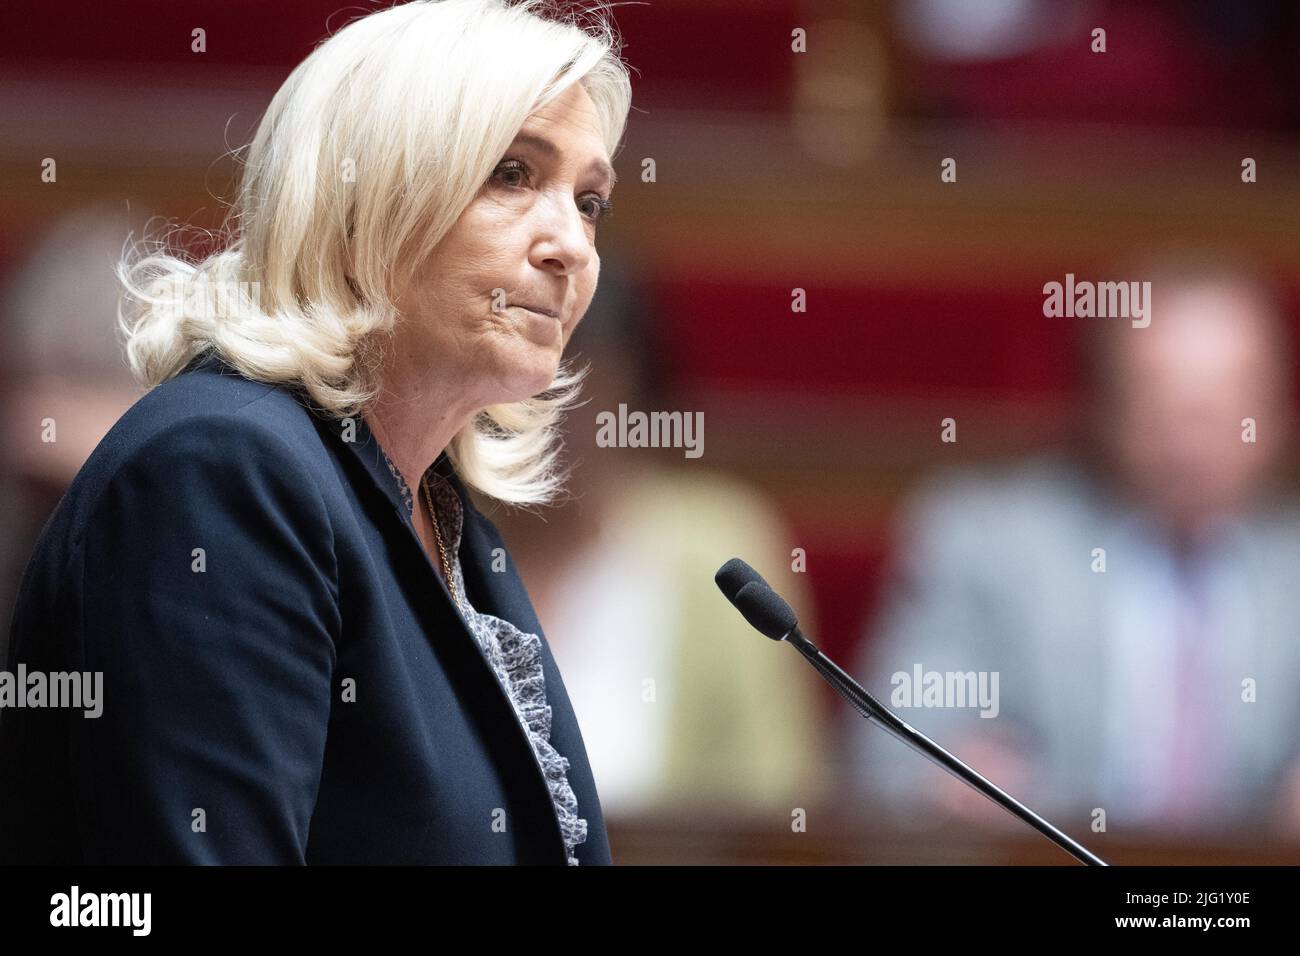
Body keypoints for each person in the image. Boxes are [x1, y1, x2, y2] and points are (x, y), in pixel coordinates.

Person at [0, 0, 632, 865]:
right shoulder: (223, 472)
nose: (571, 244)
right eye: (514, 174)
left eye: (589, 200)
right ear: (362, 195)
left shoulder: (437, 514)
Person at [841, 259, 1300, 844]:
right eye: (1160, 396)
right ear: (1104, 405)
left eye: (1227, 399)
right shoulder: (985, 540)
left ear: (1279, 411)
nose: (1192, 433)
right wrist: (952, 783)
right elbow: (890, 757)